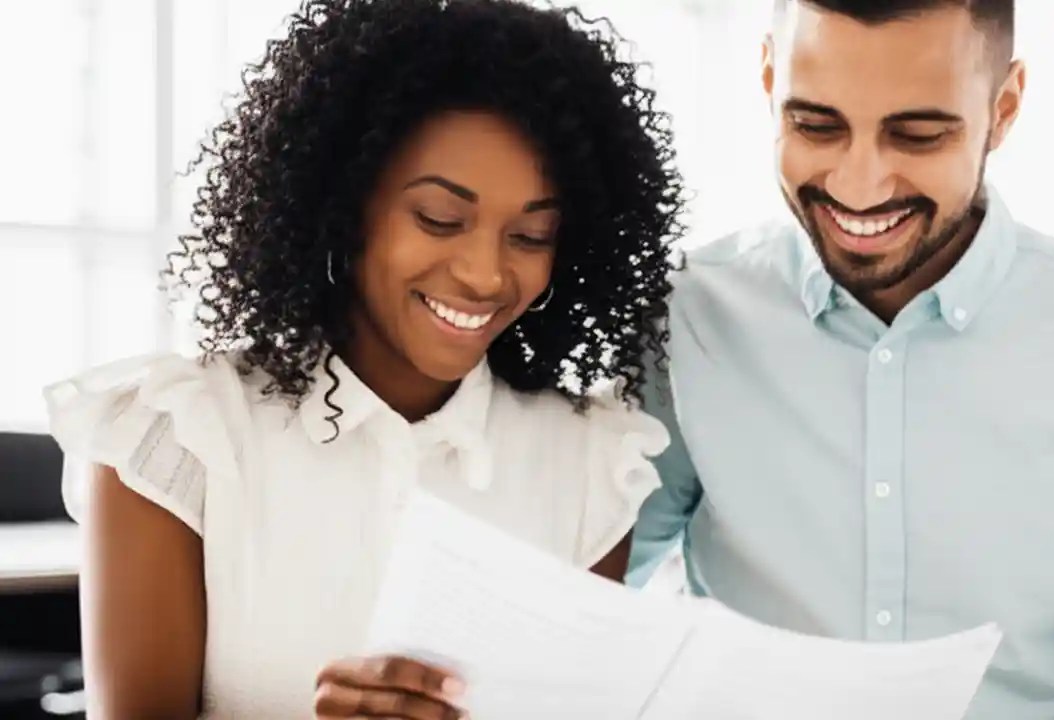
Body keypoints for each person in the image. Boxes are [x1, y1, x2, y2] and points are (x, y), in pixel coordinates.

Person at [43, 0, 684, 717]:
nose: (485, 274)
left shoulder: (590, 467)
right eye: (440, 219)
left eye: (532, 235)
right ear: (341, 205)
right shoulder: (175, 440)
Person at [628, 0, 1054, 717]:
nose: (859, 186)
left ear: (1005, 107)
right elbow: (581, 615)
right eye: (815, 125)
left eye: (918, 135)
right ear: (769, 80)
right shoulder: (681, 318)